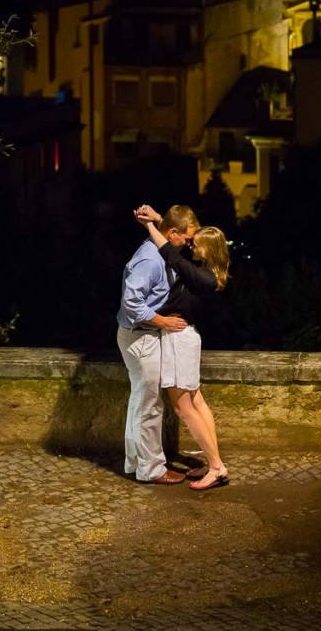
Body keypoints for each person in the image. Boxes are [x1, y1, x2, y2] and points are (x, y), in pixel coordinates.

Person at [135, 203, 230, 492]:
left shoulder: (203, 277)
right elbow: (176, 238)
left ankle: (216, 467)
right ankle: (217, 463)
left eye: (194, 243)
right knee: (197, 401)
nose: (189, 244)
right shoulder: (206, 268)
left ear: (206, 250)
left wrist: (150, 226)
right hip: (186, 337)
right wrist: (160, 220)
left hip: (179, 338)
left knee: (182, 407)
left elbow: (171, 254)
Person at [116, 204, 200, 485]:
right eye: (187, 239)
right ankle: (152, 469)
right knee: (149, 404)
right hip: (141, 336)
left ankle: (135, 462)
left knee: (140, 400)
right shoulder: (150, 260)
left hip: (140, 334)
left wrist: (157, 220)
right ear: (173, 233)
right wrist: (163, 322)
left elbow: (170, 227)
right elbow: (131, 303)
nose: (189, 245)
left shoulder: (163, 244)